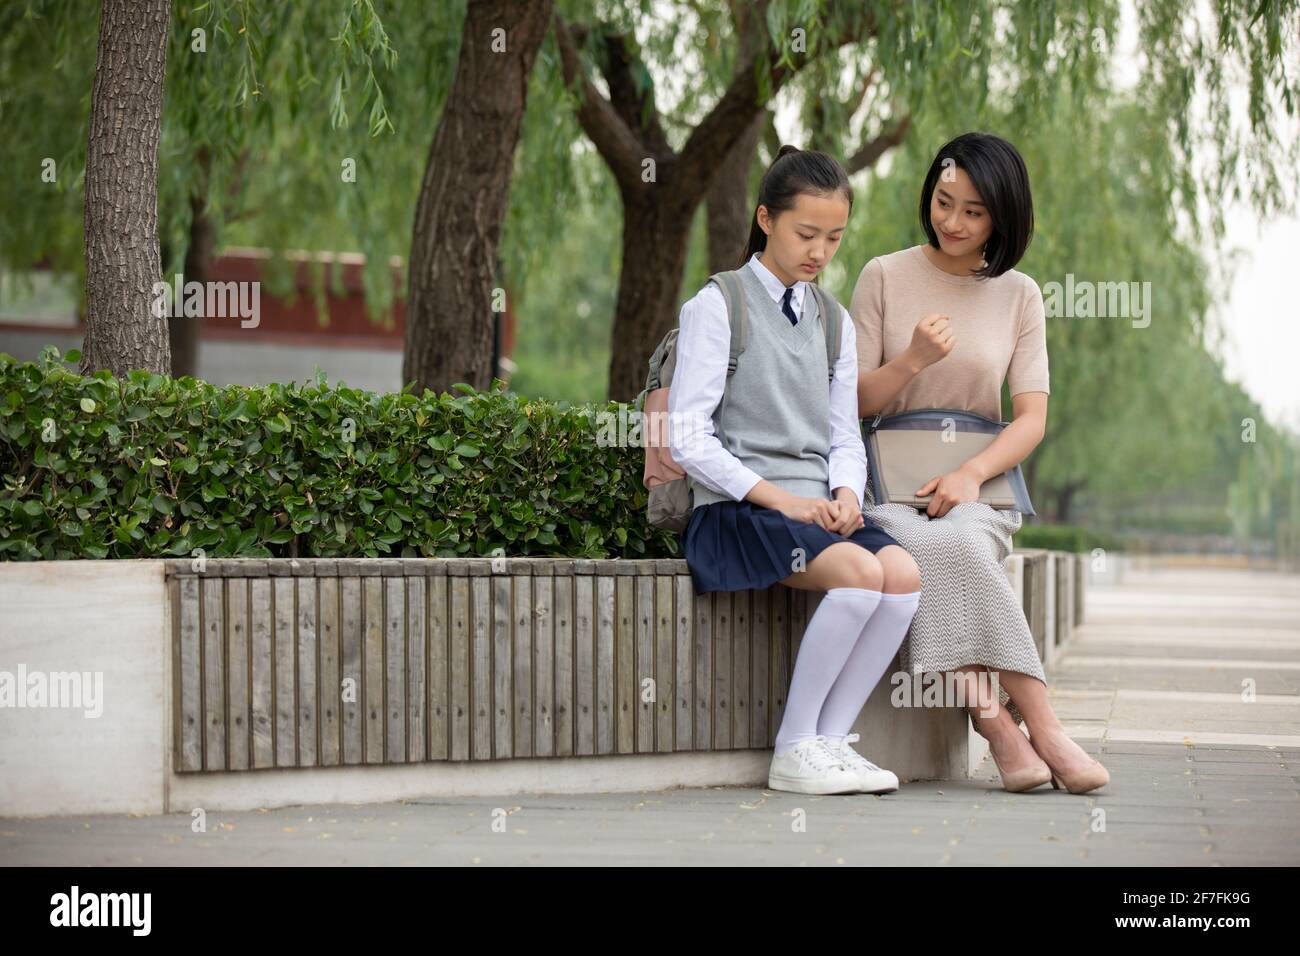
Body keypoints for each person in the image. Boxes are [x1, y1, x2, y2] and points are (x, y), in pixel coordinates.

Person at [849, 131, 1109, 794]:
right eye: (944, 201)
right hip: (888, 487)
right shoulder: (882, 275)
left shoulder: (1020, 295)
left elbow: (1032, 417)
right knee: (918, 548)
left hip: (980, 483)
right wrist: (910, 361)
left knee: (962, 538)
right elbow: (849, 401)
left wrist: (970, 475)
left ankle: (1027, 729)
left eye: (973, 211)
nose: (952, 221)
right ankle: (1008, 725)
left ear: (1002, 217)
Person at [668, 145, 921, 796]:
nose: (820, 251)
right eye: (806, 233)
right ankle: (794, 748)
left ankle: (831, 742)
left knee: (904, 576)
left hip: (812, 510)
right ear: (765, 219)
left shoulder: (834, 322)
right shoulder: (719, 305)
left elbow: (842, 432)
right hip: (736, 510)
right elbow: (687, 436)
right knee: (864, 574)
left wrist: (843, 495)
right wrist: (783, 500)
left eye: (834, 237)